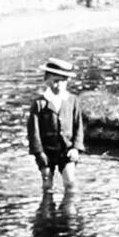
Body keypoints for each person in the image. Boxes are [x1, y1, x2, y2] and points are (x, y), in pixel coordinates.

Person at [27, 57, 85, 194]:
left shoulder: (72, 101)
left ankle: (69, 211)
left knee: (70, 182)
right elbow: (33, 132)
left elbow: (78, 127)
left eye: (62, 81)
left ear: (67, 81)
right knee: (47, 182)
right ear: (47, 79)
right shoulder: (40, 104)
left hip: (67, 150)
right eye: (55, 81)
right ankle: (46, 209)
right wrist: (39, 152)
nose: (58, 85)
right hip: (46, 152)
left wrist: (76, 148)